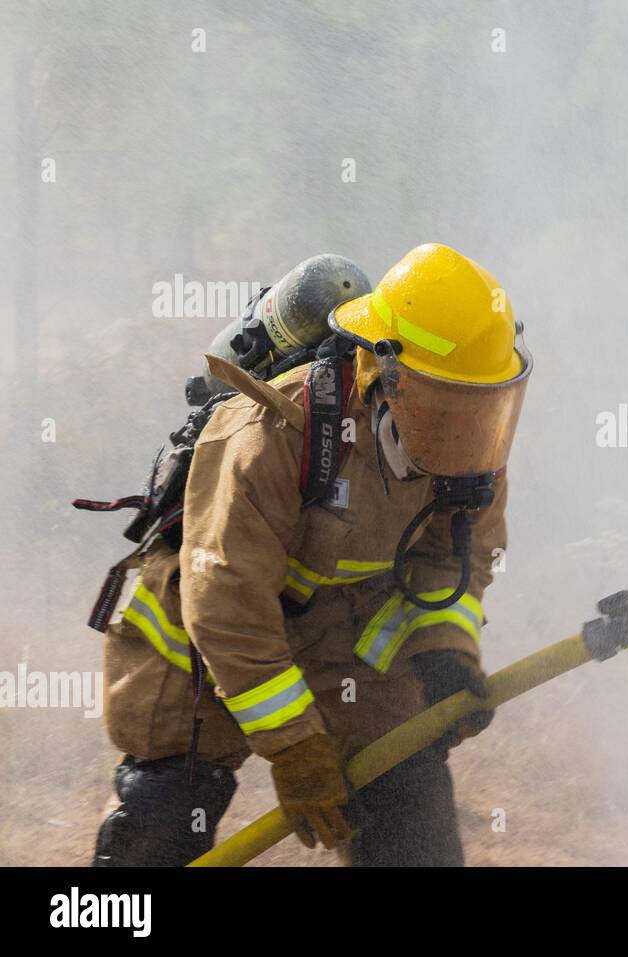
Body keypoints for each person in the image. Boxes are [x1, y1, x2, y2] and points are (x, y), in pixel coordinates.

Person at [92, 243, 531, 866]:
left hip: (339, 633)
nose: (469, 427)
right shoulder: (271, 432)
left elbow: (453, 561)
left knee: (409, 807)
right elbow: (224, 602)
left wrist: (444, 653)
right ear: (386, 373)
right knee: (160, 824)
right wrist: (295, 747)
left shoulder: (473, 447)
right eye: (447, 402)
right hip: (202, 639)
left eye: (480, 403)